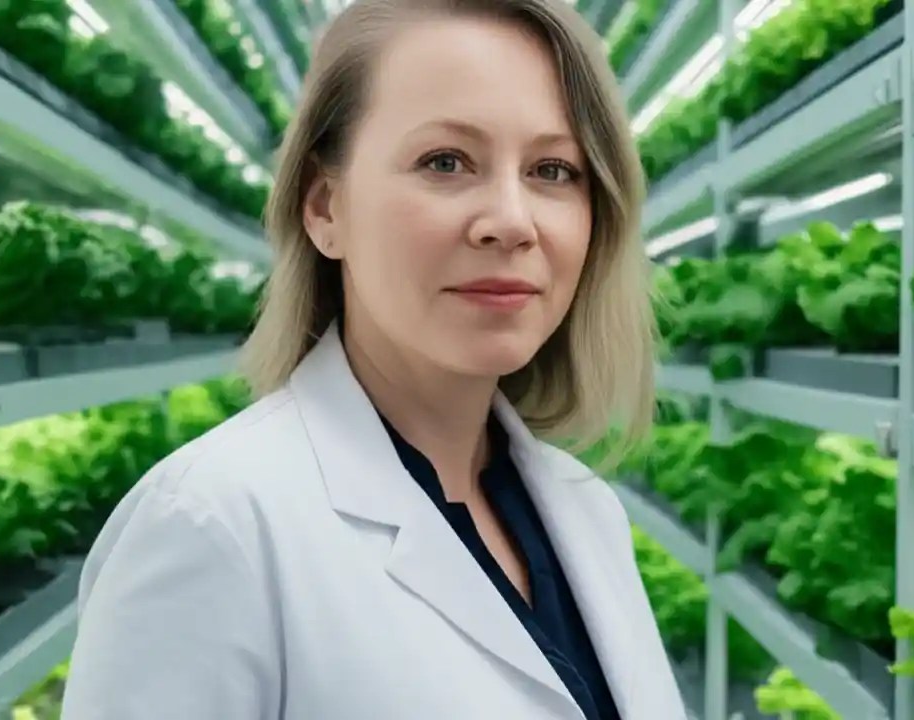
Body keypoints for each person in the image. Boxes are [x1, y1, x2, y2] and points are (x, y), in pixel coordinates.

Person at [60, 0, 685, 718]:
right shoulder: (213, 526)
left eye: (553, 169)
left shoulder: (584, 508)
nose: (512, 222)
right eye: (445, 162)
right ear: (325, 208)